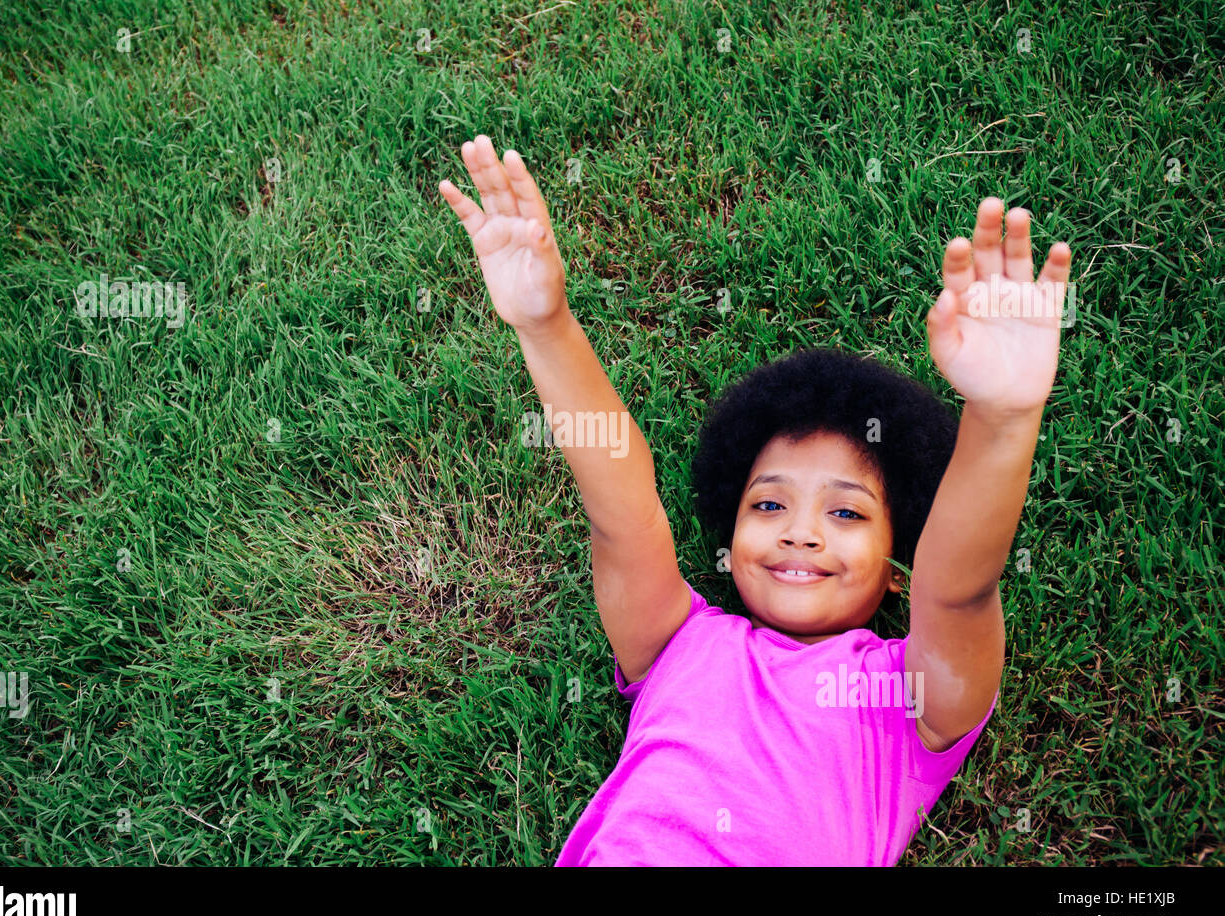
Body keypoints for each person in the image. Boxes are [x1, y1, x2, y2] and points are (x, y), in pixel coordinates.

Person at [438, 134, 1073, 865]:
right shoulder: (678, 643)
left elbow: (958, 585)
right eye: (768, 506)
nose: (800, 533)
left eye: (847, 512)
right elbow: (620, 508)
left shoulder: (901, 694)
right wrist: (545, 327)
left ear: (901, 570)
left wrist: (1002, 419)